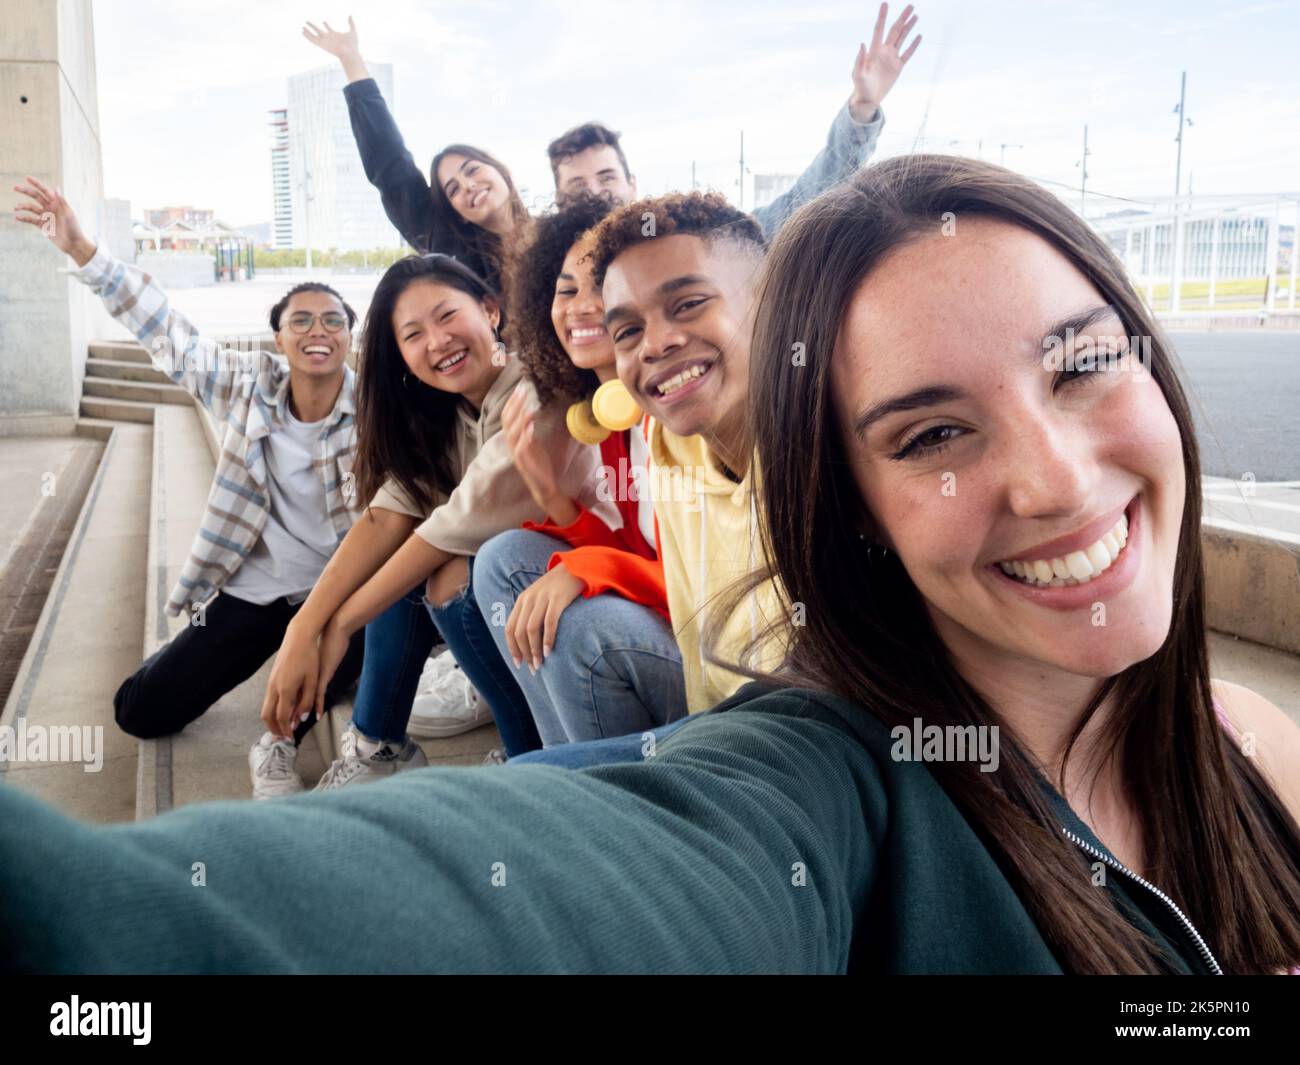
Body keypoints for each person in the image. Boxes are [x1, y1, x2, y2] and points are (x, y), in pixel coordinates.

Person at [7, 156, 1298, 975]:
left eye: (1082, 364)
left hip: (678, 692)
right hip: (715, 737)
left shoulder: (1255, 750)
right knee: (490, 588)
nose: (1057, 480)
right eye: (935, 432)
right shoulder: (834, 795)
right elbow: (576, 882)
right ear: (844, 485)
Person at [11, 177, 366, 799]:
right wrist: (83, 250)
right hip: (253, 593)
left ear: (348, 336)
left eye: (333, 319)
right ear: (278, 339)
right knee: (140, 712)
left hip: (336, 595)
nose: (319, 328)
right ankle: (224, 658)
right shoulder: (245, 389)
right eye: (301, 319)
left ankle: (278, 745)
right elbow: (166, 331)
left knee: (348, 654)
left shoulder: (376, 410)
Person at [261, 253, 617, 787]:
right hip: (536, 589)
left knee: (447, 573)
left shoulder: (536, 393)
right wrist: (303, 628)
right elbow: (389, 514)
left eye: (448, 316)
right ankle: (377, 745)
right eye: (413, 334)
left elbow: (447, 527)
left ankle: (529, 754)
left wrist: (338, 628)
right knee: (413, 561)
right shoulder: (451, 410)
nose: (437, 341)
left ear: (490, 310)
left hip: (601, 586)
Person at [304, 3, 919, 270]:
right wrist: (355, 69)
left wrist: (861, 112)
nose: (595, 194)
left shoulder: (679, 241)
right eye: (577, 186)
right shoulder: (495, 262)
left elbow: (789, 211)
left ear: (633, 185)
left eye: (606, 179)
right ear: (559, 197)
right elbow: (393, 174)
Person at [473, 195, 681, 747]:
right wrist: (550, 494)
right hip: (665, 627)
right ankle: (564, 762)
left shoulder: (681, 406)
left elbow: (702, 586)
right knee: (501, 561)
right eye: (565, 290)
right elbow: (635, 554)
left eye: (601, 286)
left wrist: (586, 567)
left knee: (582, 627)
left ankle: (605, 795)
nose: (581, 307)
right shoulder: (612, 416)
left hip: (715, 657)